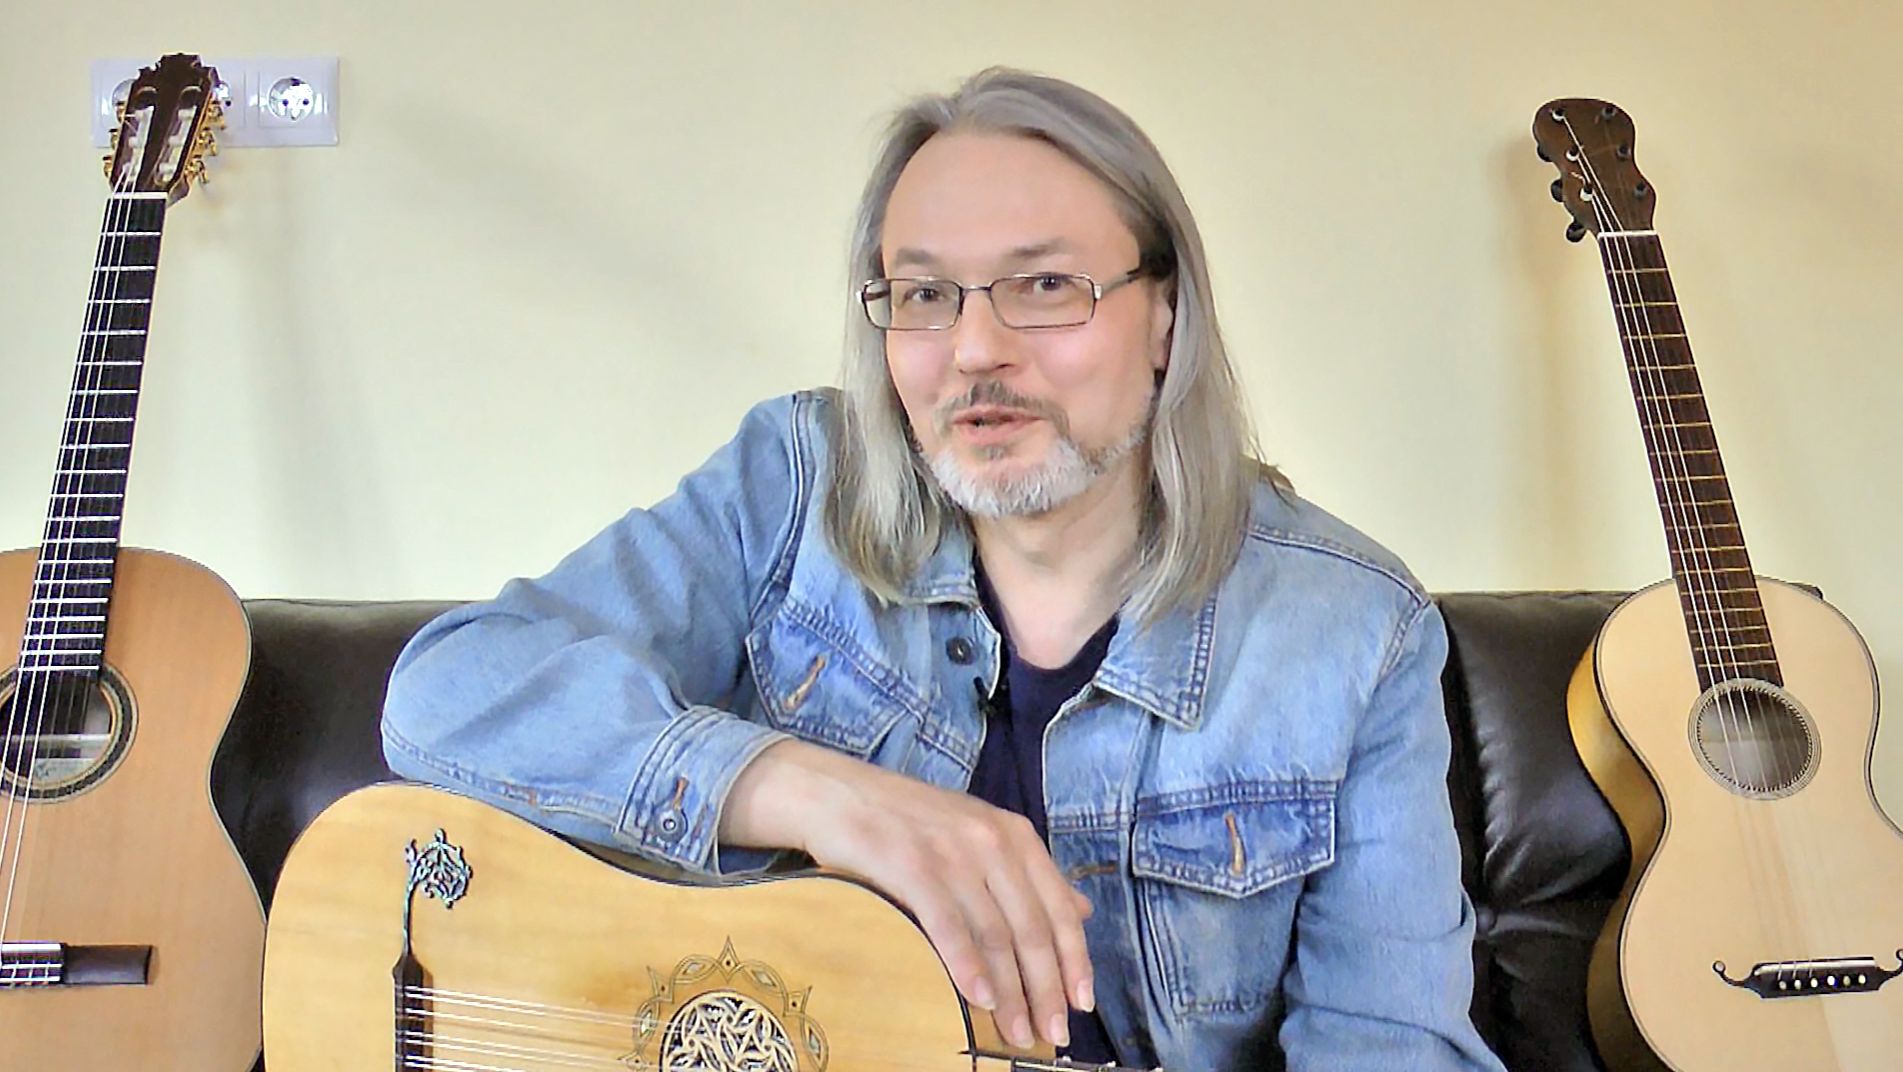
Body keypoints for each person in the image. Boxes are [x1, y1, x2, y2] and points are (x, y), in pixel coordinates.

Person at [381, 67, 1505, 1072]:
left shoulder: (1353, 629)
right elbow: (446, 692)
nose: (973, 350)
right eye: (923, 295)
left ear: (1165, 317)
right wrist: (821, 793)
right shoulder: (788, 489)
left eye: (1045, 285)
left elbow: (1393, 1046)